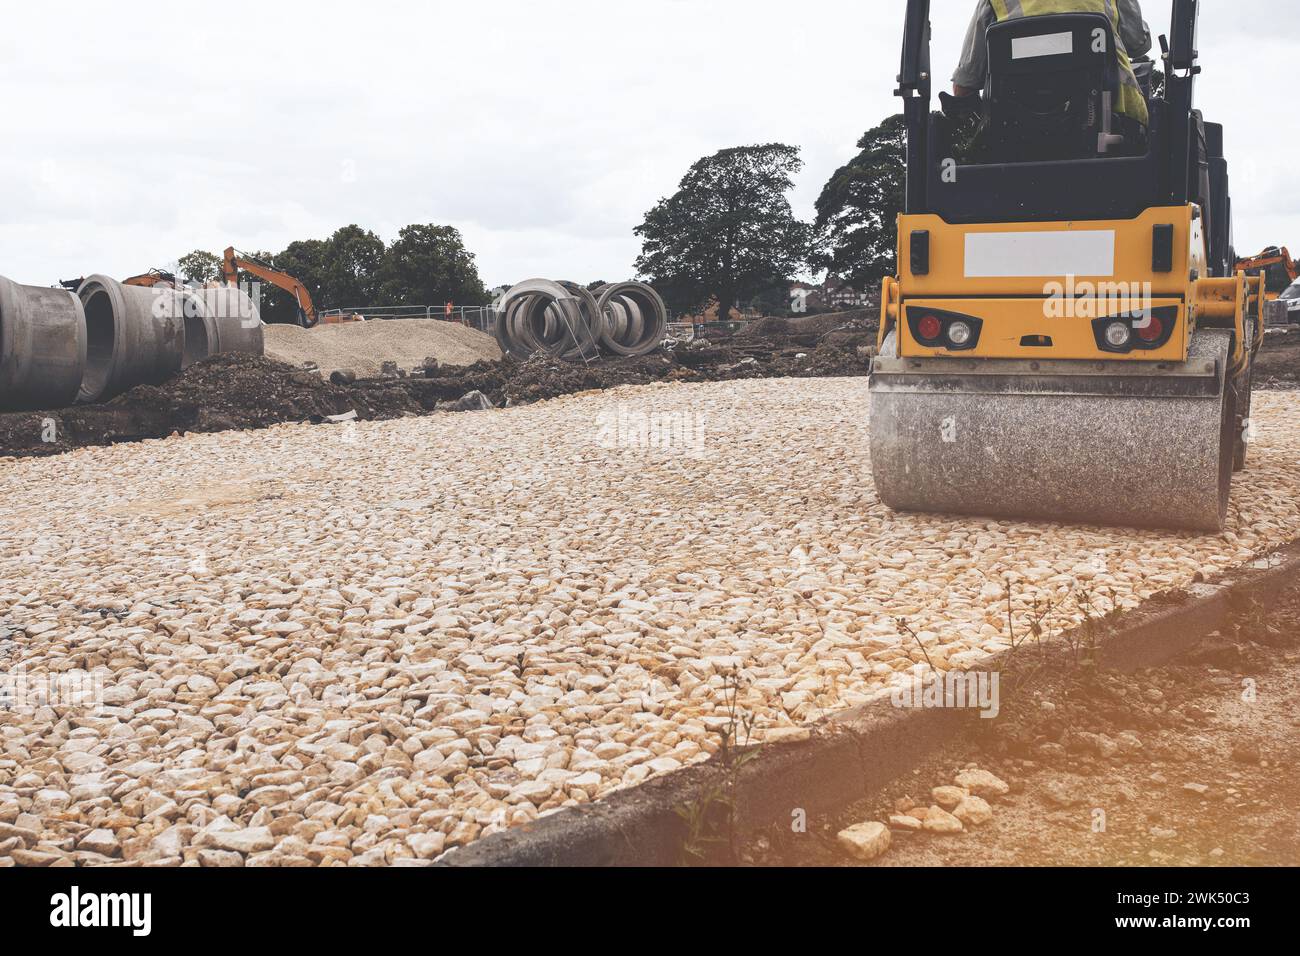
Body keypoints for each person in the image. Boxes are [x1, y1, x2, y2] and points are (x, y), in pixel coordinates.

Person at [952, 0, 1152, 127]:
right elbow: (1138, 44)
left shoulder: (995, 2)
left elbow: (963, 86)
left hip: (1019, 138)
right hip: (1116, 125)